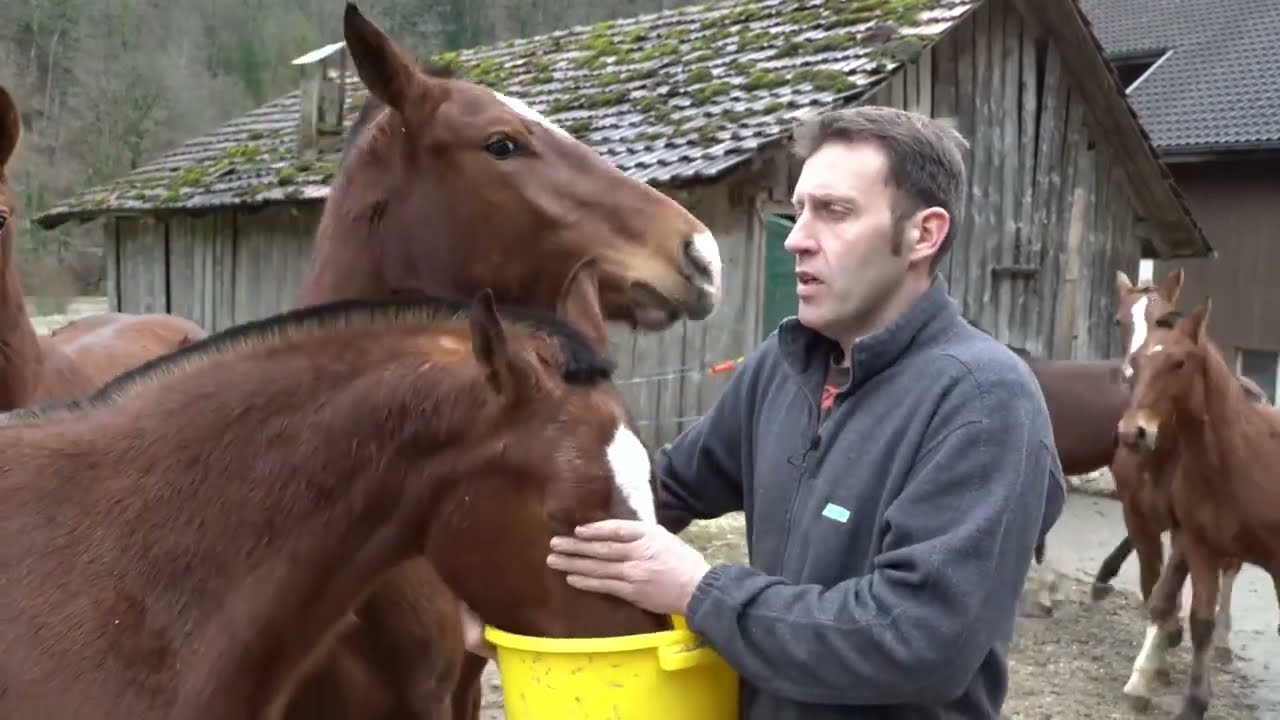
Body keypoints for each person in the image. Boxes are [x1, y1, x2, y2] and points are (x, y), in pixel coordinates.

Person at [463, 105, 1066, 718]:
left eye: (834, 212)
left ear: (923, 235)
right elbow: (655, 492)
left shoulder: (984, 403)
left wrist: (702, 590)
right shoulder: (782, 369)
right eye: (800, 209)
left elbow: (921, 641)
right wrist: (502, 580)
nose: (797, 237)